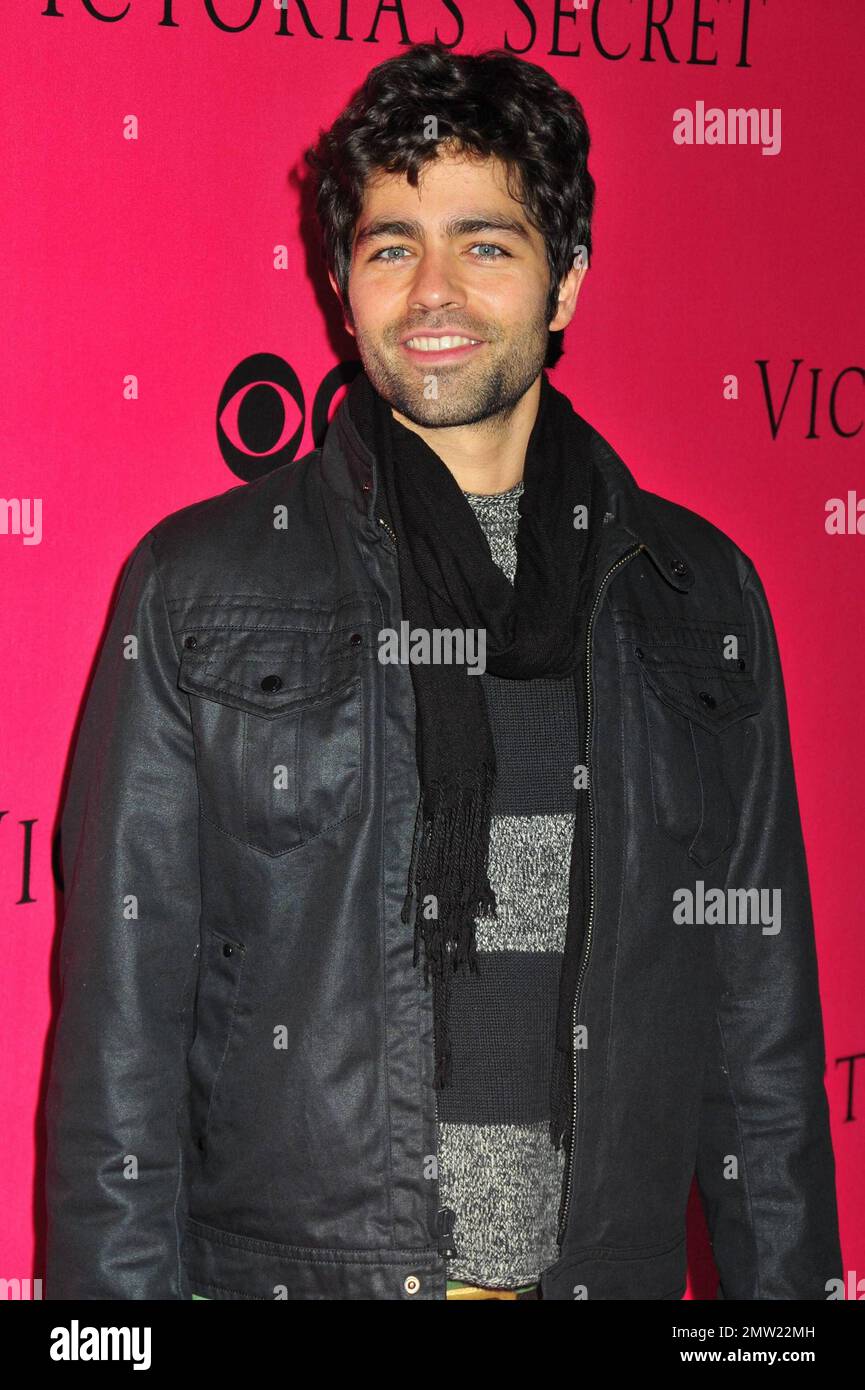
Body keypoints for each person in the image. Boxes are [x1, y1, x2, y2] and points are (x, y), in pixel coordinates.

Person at [44, 41, 842, 1301]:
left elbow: (757, 1033)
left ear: (565, 283)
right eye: (389, 244)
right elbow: (120, 1038)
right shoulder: (200, 588)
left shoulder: (697, 595)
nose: (432, 291)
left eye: (485, 242)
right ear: (338, 281)